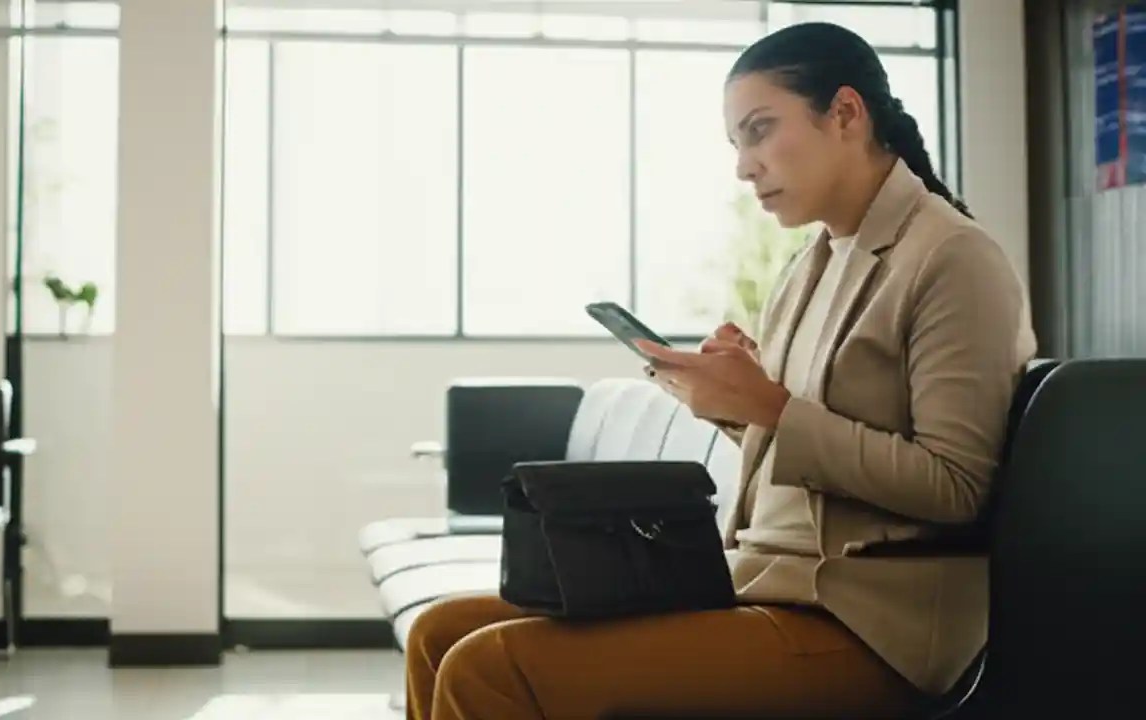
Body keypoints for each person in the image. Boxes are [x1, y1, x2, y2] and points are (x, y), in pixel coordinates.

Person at [405, 22, 1036, 720]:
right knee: (439, 634)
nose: (745, 165)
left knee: (489, 669)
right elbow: (809, 455)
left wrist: (767, 406)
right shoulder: (812, 265)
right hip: (770, 581)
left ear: (847, 113)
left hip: (874, 625)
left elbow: (958, 488)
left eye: (761, 130)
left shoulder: (953, 258)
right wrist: (734, 407)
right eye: (737, 143)